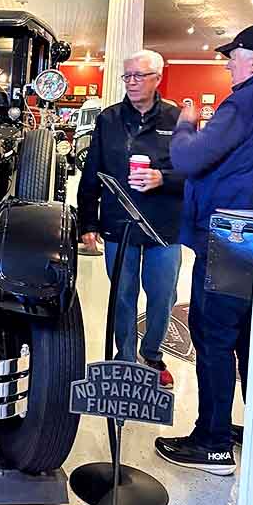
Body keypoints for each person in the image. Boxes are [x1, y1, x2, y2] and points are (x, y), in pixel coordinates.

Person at [155, 26, 253, 475]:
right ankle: (245, 432)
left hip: (234, 234)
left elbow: (190, 158)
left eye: (232, 55)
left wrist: (186, 123)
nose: (227, 63)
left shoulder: (245, 101)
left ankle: (213, 444)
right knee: (244, 337)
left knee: (214, 334)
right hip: (248, 234)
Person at [77, 49, 184, 387]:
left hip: (163, 227)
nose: (132, 82)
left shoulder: (177, 119)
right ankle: (124, 358)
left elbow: (194, 173)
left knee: (162, 294)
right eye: (127, 76)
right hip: (118, 225)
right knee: (122, 295)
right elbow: (92, 171)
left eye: (140, 75)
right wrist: (87, 223)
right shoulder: (108, 119)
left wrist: (162, 179)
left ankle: (151, 354)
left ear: (157, 78)